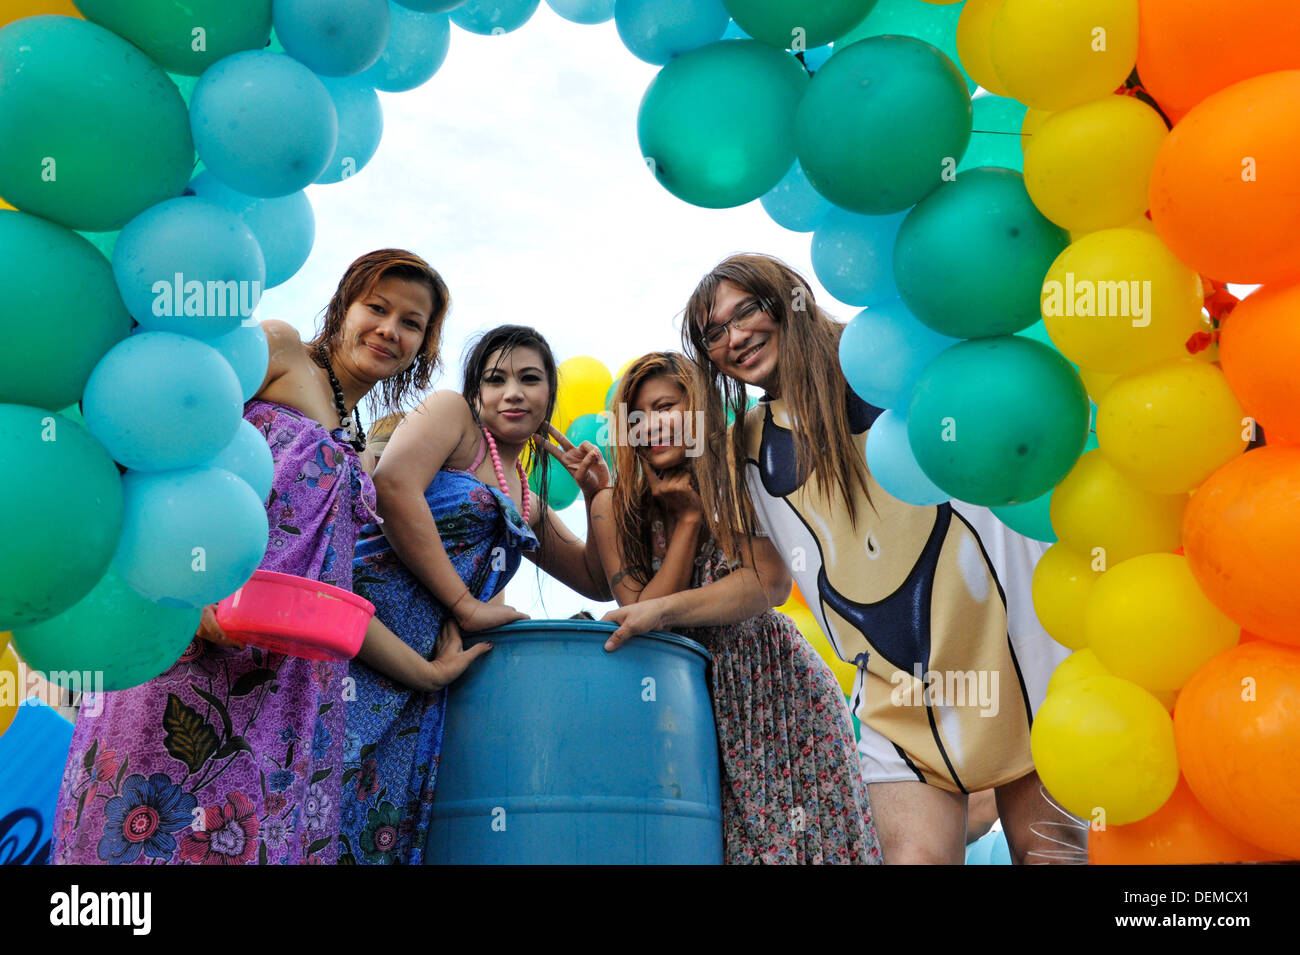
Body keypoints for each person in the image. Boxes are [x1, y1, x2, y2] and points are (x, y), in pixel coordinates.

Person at [604, 253, 1076, 865]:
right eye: (713, 332)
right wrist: (657, 609)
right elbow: (766, 580)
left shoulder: (886, 353)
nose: (734, 337)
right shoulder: (742, 446)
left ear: (787, 296)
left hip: (1017, 648)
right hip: (894, 687)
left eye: (746, 310)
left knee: (1054, 859)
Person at [50, 248, 458, 865]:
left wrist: (425, 672)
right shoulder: (281, 348)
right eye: (376, 307)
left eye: (411, 322)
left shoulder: (359, 442)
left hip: (288, 686)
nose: (389, 330)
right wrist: (191, 595)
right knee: (143, 834)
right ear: (342, 307)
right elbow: (154, 439)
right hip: (190, 639)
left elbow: (327, 589)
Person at [338, 324, 613, 864]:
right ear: (476, 392)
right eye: (496, 379)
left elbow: (595, 580)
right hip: (360, 630)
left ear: (549, 398)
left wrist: (595, 494)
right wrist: (465, 605)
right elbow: (394, 487)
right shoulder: (452, 419)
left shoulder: (527, 497)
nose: (512, 392)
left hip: (424, 669)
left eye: (529, 379)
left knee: (373, 818)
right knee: (312, 786)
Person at [591, 352, 880, 864]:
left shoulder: (738, 477)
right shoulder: (613, 507)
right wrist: (686, 524)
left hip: (777, 692)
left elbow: (768, 583)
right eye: (637, 417)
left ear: (699, 410)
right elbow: (642, 613)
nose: (652, 426)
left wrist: (705, 513)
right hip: (683, 702)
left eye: (665, 407)